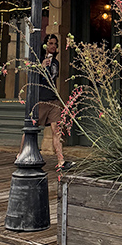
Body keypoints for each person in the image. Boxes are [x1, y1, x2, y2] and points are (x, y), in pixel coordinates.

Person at [35, 33, 72, 170]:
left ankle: (61, 161)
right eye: (50, 43)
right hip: (41, 100)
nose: (53, 46)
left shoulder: (55, 62)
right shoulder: (38, 59)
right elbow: (33, 78)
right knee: (31, 129)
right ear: (45, 45)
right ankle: (21, 154)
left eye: (55, 44)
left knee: (57, 130)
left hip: (53, 100)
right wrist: (41, 67)